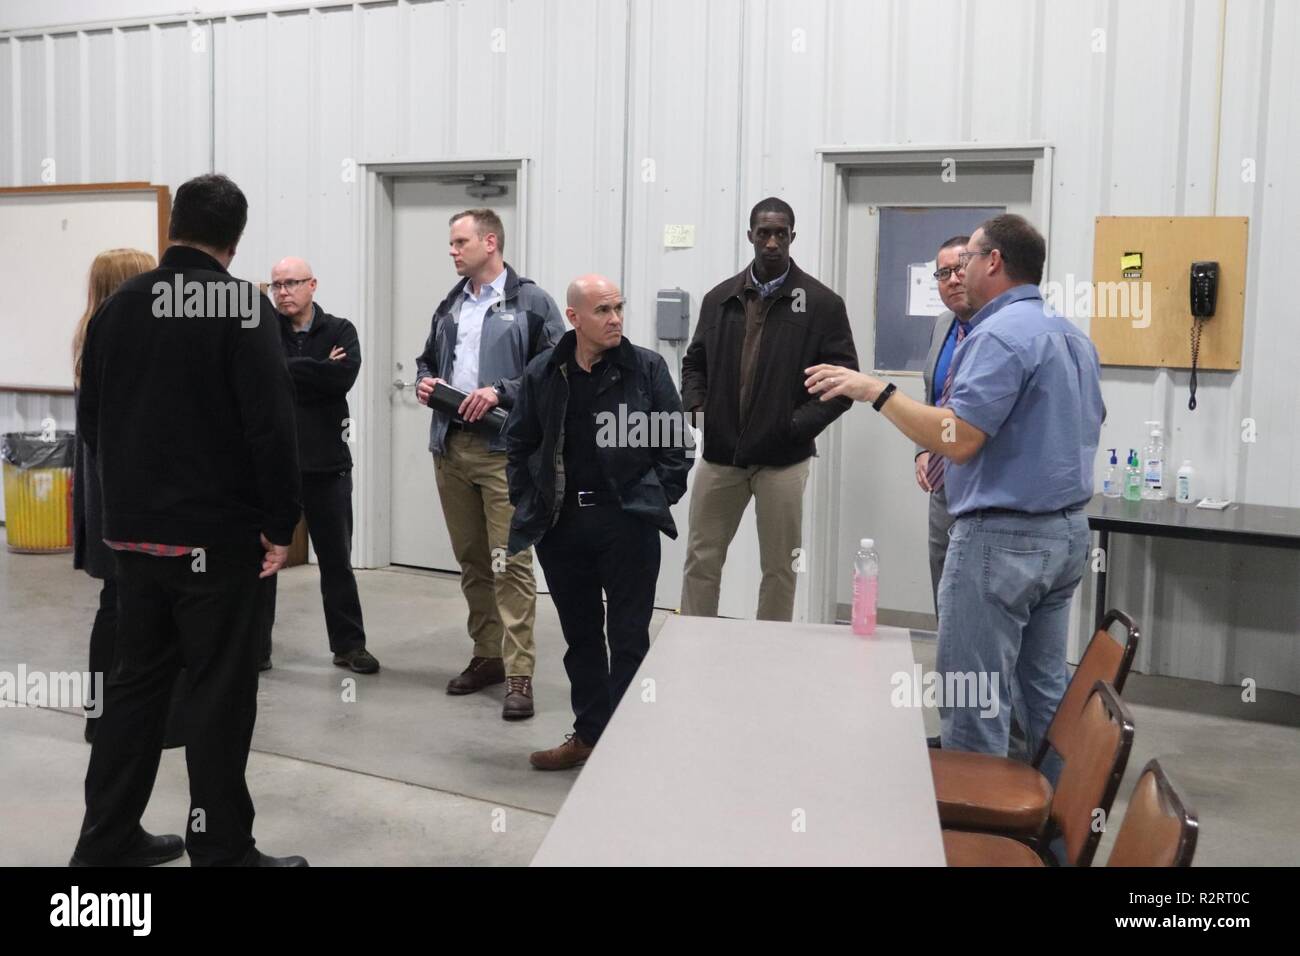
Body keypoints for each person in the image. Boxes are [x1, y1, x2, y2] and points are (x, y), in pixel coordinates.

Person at [805, 213, 1103, 768]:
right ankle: (1054, 839)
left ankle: (980, 839)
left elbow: (958, 437)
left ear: (993, 262)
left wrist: (876, 391)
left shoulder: (997, 335)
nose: (957, 272)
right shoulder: (1070, 334)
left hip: (1001, 541)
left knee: (972, 699)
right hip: (1063, 537)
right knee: (1044, 696)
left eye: (966, 260)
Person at [73, 173, 307, 867]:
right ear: (235, 239)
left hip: (134, 543)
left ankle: (106, 844)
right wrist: (280, 522)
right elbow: (270, 426)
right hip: (217, 543)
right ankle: (220, 845)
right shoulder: (240, 307)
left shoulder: (118, 308)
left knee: (133, 694)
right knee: (217, 696)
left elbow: (91, 424)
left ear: (173, 225)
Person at [505, 275, 692, 770]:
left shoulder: (645, 369)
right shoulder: (545, 372)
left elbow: (676, 446)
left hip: (627, 523)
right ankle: (589, 734)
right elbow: (520, 443)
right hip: (563, 526)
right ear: (574, 318)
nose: (615, 319)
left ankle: (628, 746)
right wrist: (530, 500)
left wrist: (651, 498)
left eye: (618, 308)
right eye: (603, 310)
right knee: (580, 637)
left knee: (628, 635)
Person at [414, 209, 564, 719]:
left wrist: (500, 391)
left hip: (505, 453)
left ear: (490, 242)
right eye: (451, 243)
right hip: (451, 448)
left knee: (512, 564)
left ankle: (519, 673)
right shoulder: (452, 304)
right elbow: (427, 359)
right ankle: (487, 656)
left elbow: (557, 372)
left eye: (460, 242)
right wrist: (426, 383)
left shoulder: (532, 302)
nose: (452, 251)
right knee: (474, 562)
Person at [680, 197, 858, 621]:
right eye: (764, 233)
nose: (772, 242)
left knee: (779, 568)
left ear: (792, 236)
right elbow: (694, 362)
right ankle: (691, 644)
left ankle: (770, 653)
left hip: (783, 461)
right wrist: (697, 406)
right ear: (750, 237)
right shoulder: (720, 298)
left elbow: (844, 383)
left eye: (781, 233)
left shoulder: (821, 304)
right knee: (702, 559)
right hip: (722, 457)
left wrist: (793, 427)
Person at [258, 256, 379, 675]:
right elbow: (260, 375)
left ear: (313, 285)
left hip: (327, 466)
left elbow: (340, 379)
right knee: (265, 562)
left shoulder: (340, 329)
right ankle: (257, 650)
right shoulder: (262, 329)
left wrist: (290, 372)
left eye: (291, 283)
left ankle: (349, 646)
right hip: (273, 468)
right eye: (276, 285)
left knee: (336, 561)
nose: (283, 292)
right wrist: (318, 367)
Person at [72, 249, 156, 744]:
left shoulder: (91, 334)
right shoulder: (119, 341)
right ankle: (110, 718)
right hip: (118, 493)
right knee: (121, 604)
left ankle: (104, 714)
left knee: (118, 602)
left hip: (104, 488)